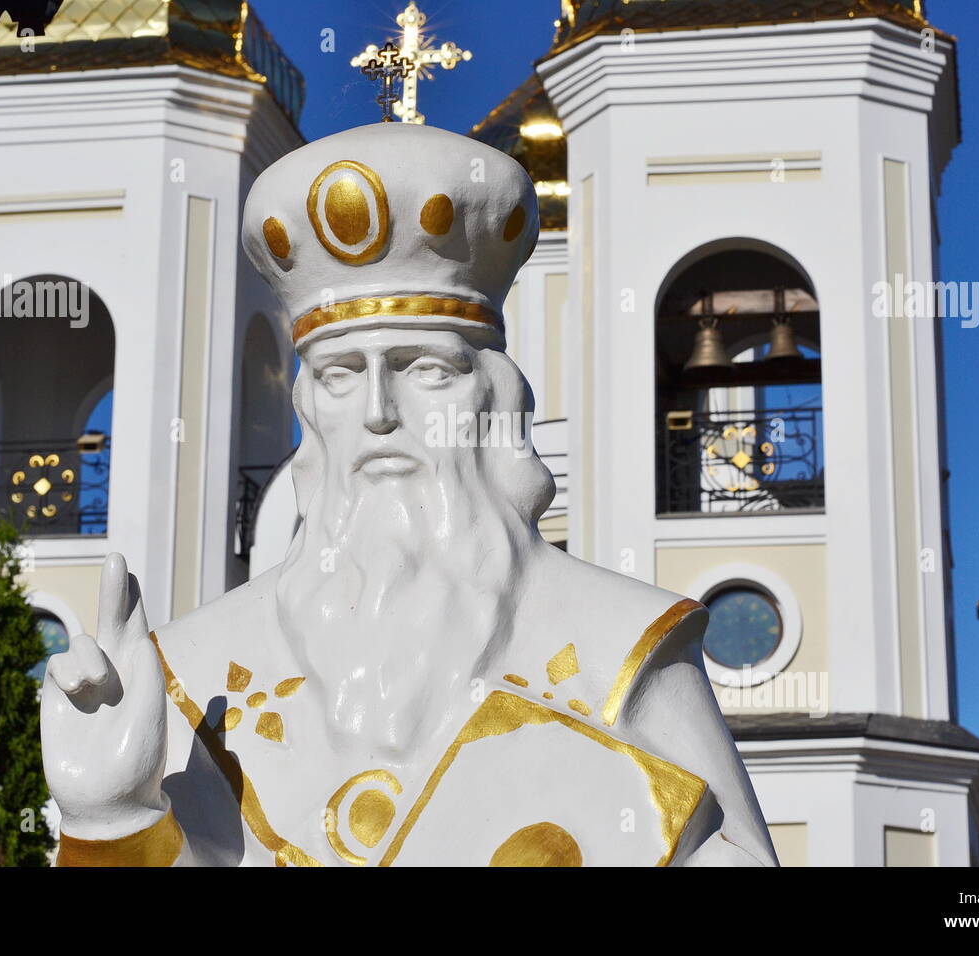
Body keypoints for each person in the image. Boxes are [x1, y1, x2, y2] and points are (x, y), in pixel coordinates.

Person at [41, 122, 776, 867]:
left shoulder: (623, 645)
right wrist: (111, 825)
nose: (377, 411)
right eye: (340, 376)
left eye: (423, 368)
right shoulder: (194, 674)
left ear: (492, 401)